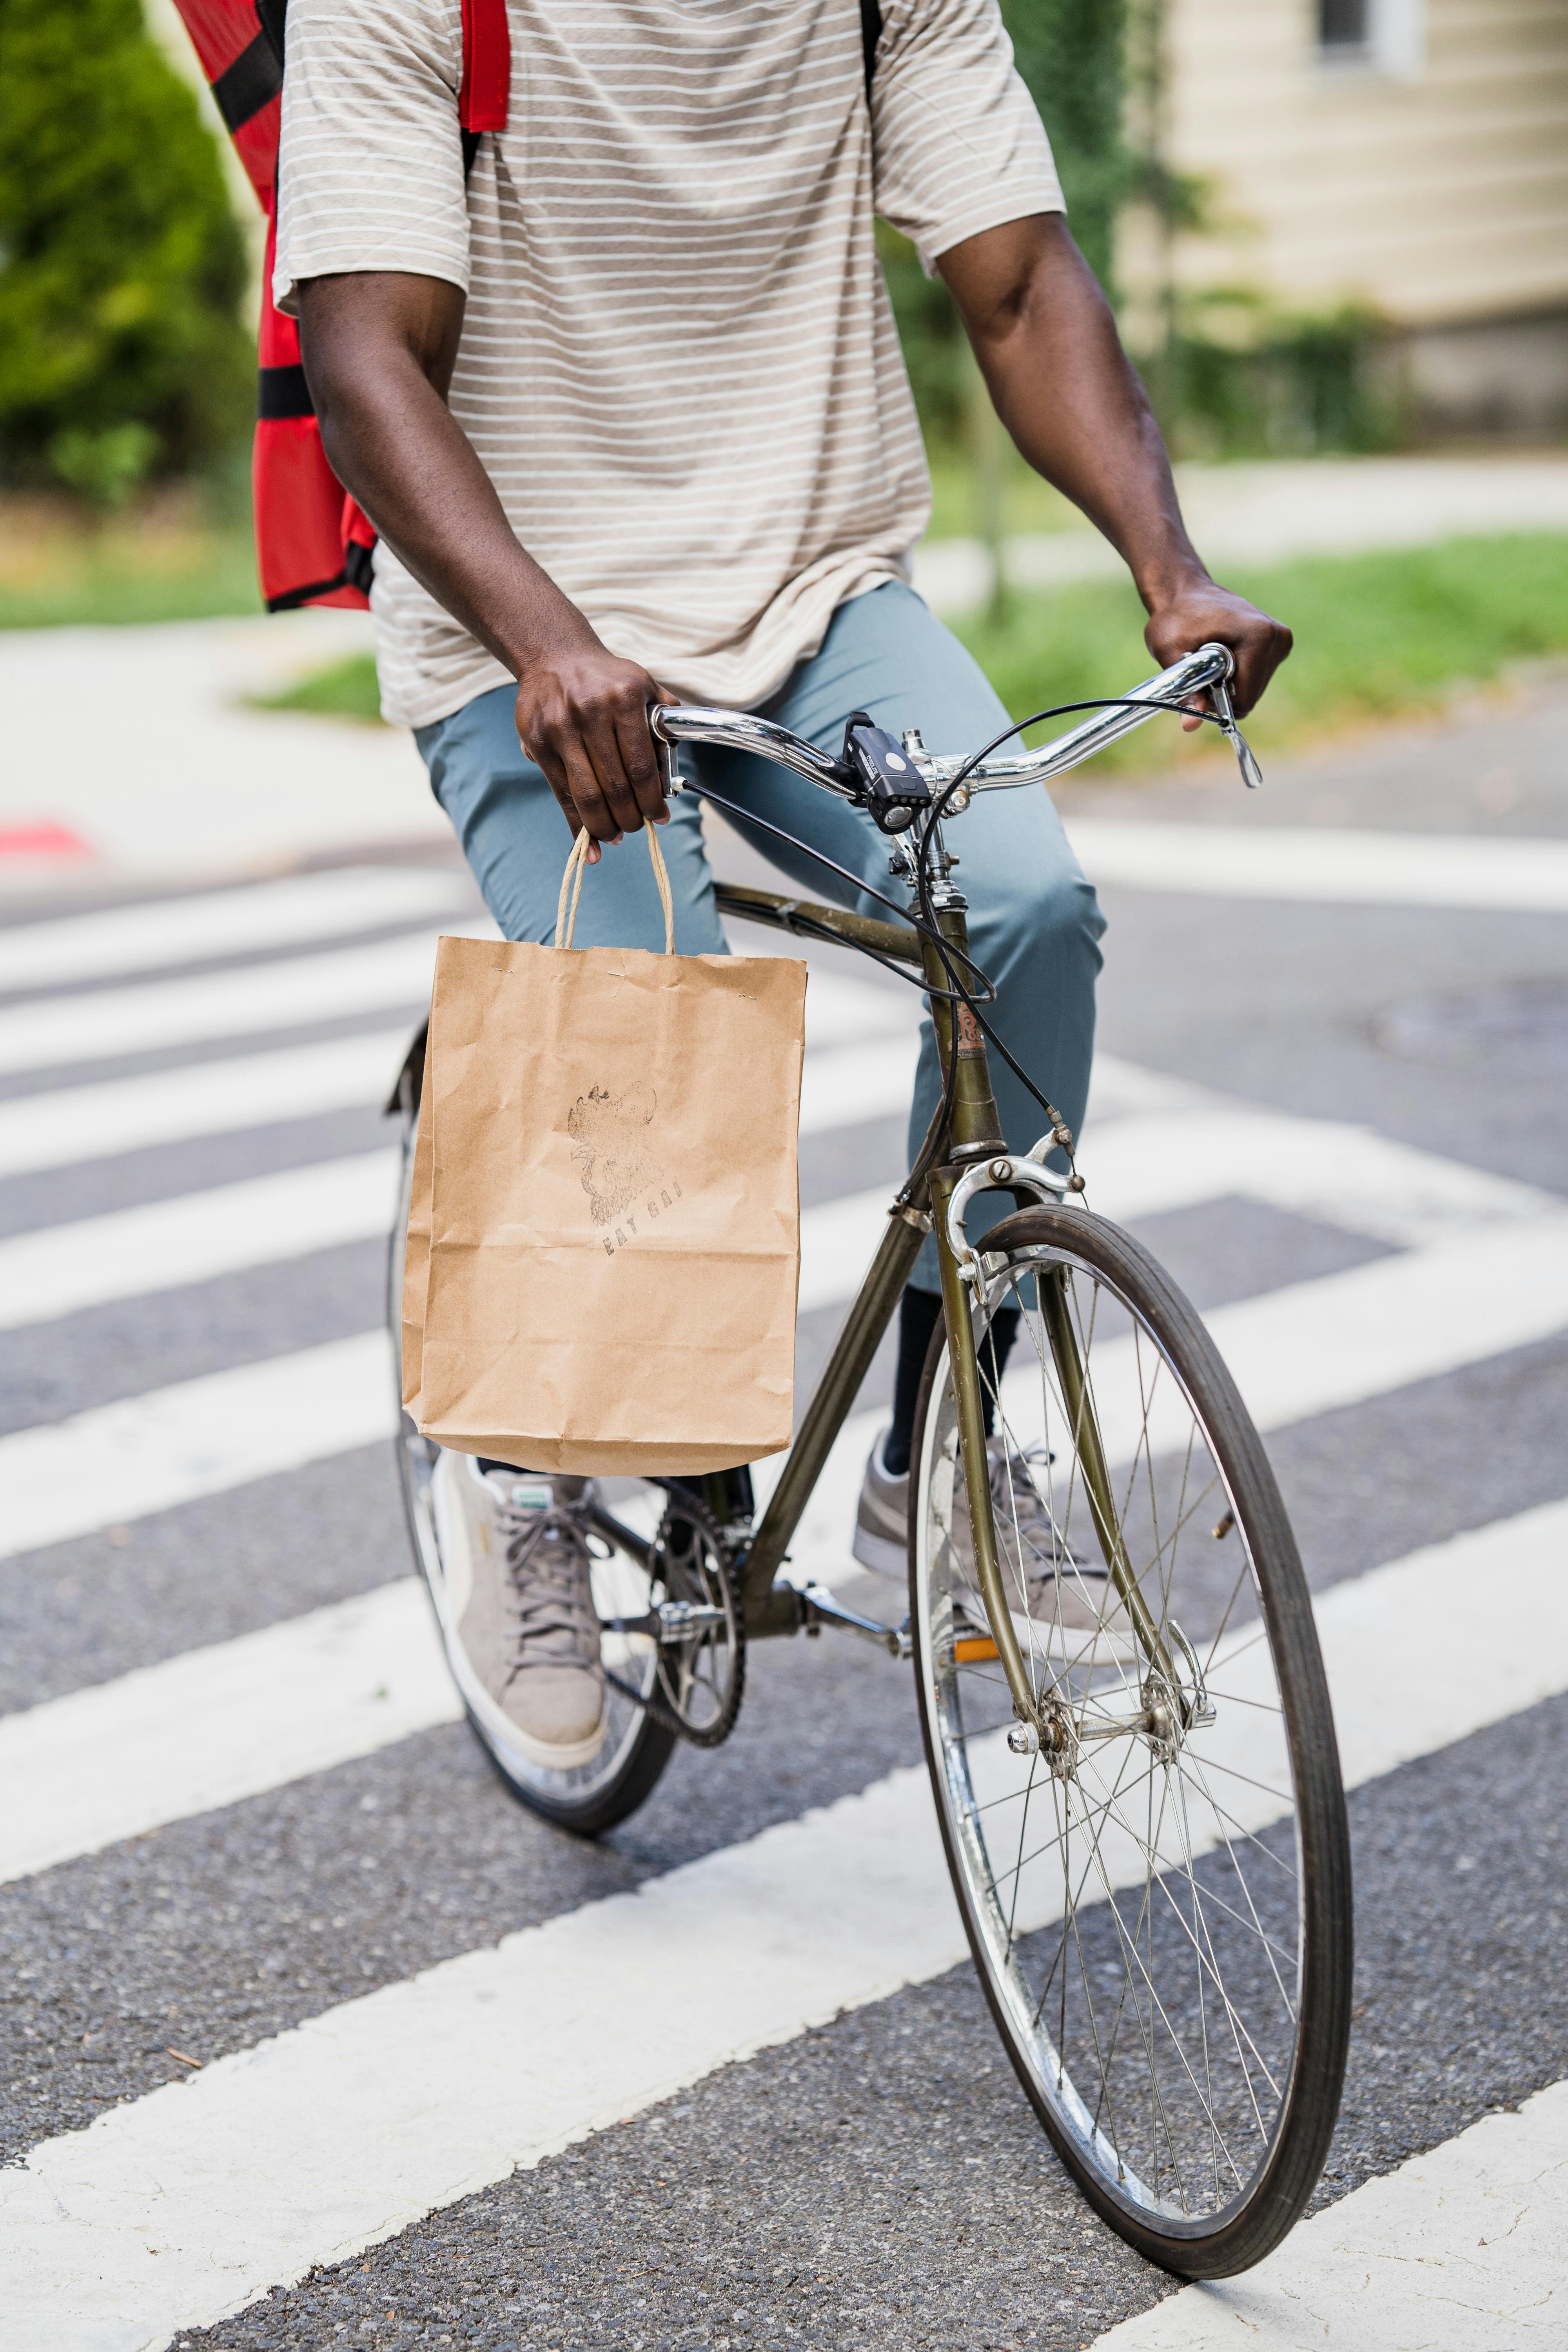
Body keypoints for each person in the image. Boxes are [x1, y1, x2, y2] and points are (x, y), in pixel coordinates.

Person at [279, 0, 1290, 1771]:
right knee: (640, 1000)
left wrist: (1170, 568)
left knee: (1026, 907)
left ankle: (942, 1461)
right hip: (518, 618)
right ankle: (521, 1466)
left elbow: (1023, 280)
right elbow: (365, 355)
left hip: (816, 593)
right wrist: (547, 643)